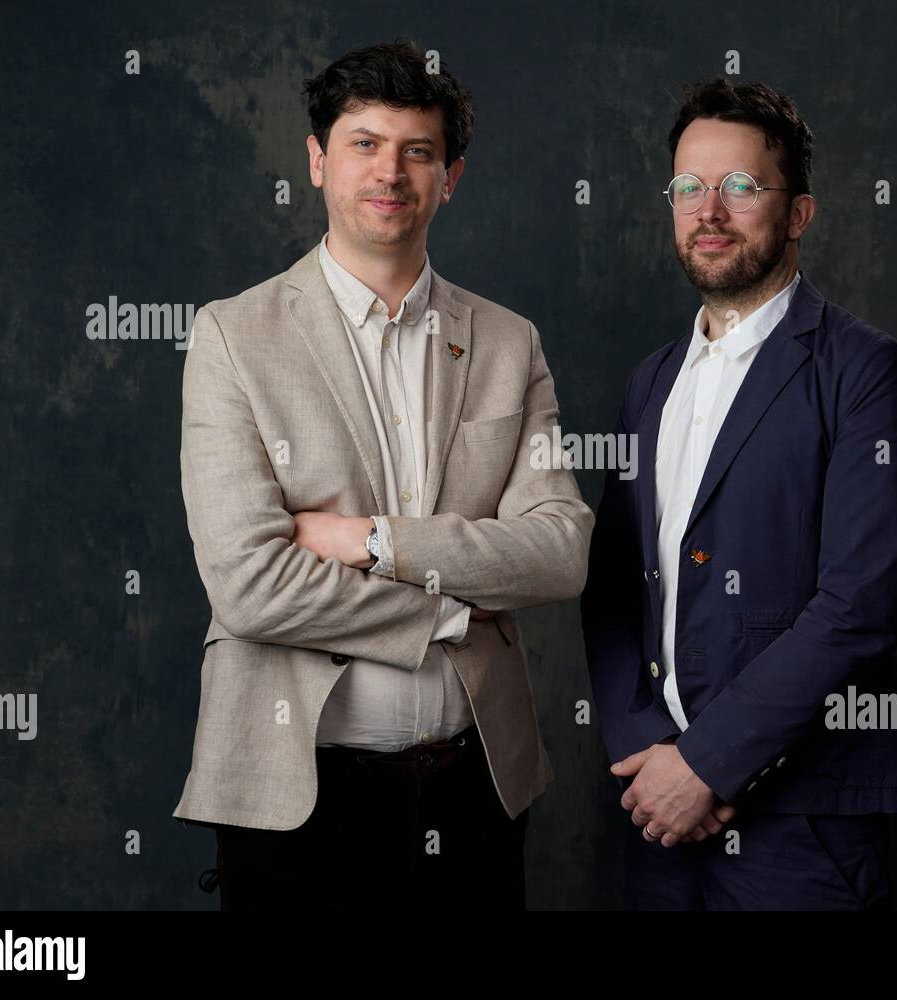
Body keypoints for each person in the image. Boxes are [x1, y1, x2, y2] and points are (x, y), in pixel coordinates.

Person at [173, 41, 592, 910]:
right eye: (364, 143)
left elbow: (559, 552)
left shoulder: (510, 345)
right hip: (299, 799)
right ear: (319, 161)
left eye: (418, 151)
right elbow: (250, 587)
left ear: (451, 177)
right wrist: (448, 604)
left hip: (474, 789)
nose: (390, 171)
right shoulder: (230, 337)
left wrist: (371, 541)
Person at [581, 77, 897, 910]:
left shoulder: (863, 372)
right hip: (656, 815)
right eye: (689, 188)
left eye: (741, 186)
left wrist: (708, 764)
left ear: (799, 214)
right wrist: (647, 752)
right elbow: (609, 586)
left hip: (802, 824)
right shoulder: (650, 383)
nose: (710, 210)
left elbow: (858, 607)